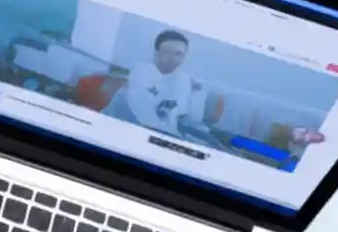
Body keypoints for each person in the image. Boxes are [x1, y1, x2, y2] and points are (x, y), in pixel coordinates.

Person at [102, 29, 326, 159]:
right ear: (156, 52)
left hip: (206, 124)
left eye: (179, 54)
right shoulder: (142, 73)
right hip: (193, 130)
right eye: (168, 52)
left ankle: (294, 136)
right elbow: (151, 116)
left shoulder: (184, 78)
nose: (173, 58)